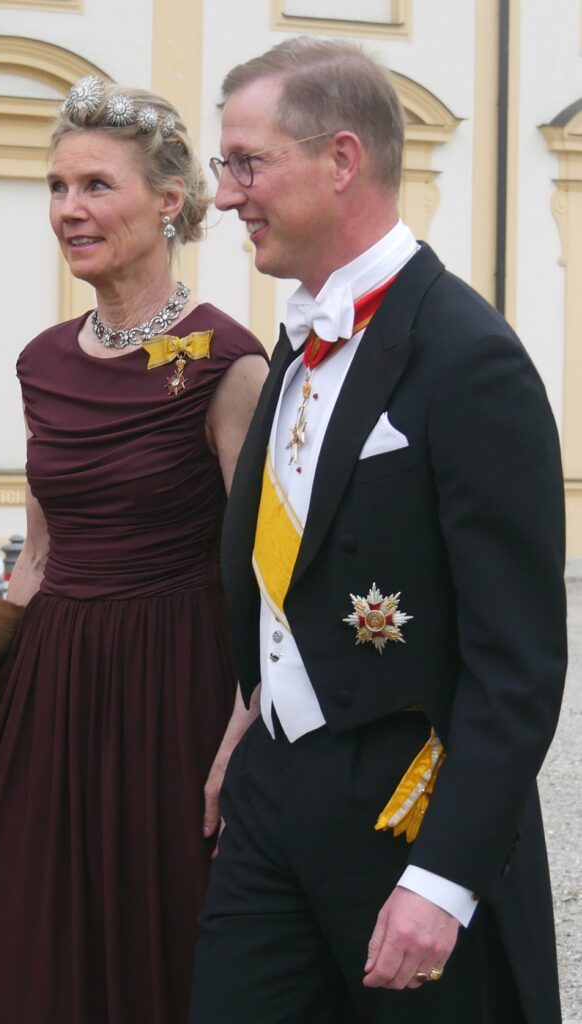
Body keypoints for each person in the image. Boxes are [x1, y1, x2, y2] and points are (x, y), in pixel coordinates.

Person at [188, 37, 567, 1024]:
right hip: (273, 794)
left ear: (341, 160)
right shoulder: (300, 337)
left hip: (406, 808)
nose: (224, 195)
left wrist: (443, 879)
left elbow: (518, 660)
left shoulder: (469, 357)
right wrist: (254, 715)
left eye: (246, 163)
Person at [0, 76, 268, 1024]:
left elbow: (268, 573)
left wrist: (246, 724)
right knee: (28, 936)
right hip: (50, 698)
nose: (68, 210)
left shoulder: (230, 363)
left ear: (168, 203)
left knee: (154, 945)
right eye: (57, 187)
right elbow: (37, 557)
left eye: (95, 186)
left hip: (174, 694)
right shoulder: (42, 362)